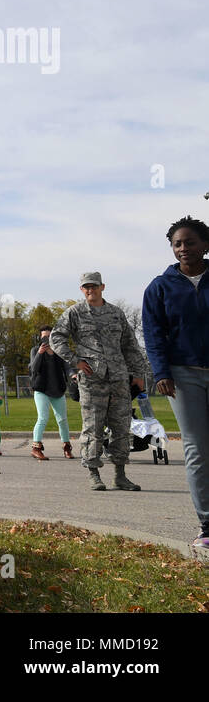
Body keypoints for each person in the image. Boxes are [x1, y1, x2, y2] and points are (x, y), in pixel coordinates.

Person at [142, 216, 209, 558]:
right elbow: (153, 333)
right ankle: (207, 526)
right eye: (177, 244)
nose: (184, 248)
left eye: (190, 242)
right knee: (197, 448)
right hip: (183, 375)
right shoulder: (159, 287)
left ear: (205, 245)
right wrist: (160, 372)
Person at [50, 272, 149, 492]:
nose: (89, 290)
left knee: (121, 427)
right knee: (93, 428)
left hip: (118, 378)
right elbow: (56, 337)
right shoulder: (74, 313)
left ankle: (120, 475)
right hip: (92, 379)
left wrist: (139, 373)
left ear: (102, 287)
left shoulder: (115, 313)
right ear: (81, 289)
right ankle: (94, 474)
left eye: (93, 286)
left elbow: (130, 344)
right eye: (85, 287)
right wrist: (75, 361)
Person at [28, 326, 72, 460]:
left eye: (49, 336)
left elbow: (67, 367)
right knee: (43, 417)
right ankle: (36, 448)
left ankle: (66, 446)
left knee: (62, 420)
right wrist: (40, 353)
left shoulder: (59, 351)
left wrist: (73, 375)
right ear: (41, 338)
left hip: (58, 389)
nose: (47, 339)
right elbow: (33, 369)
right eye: (44, 337)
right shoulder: (35, 350)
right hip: (41, 390)